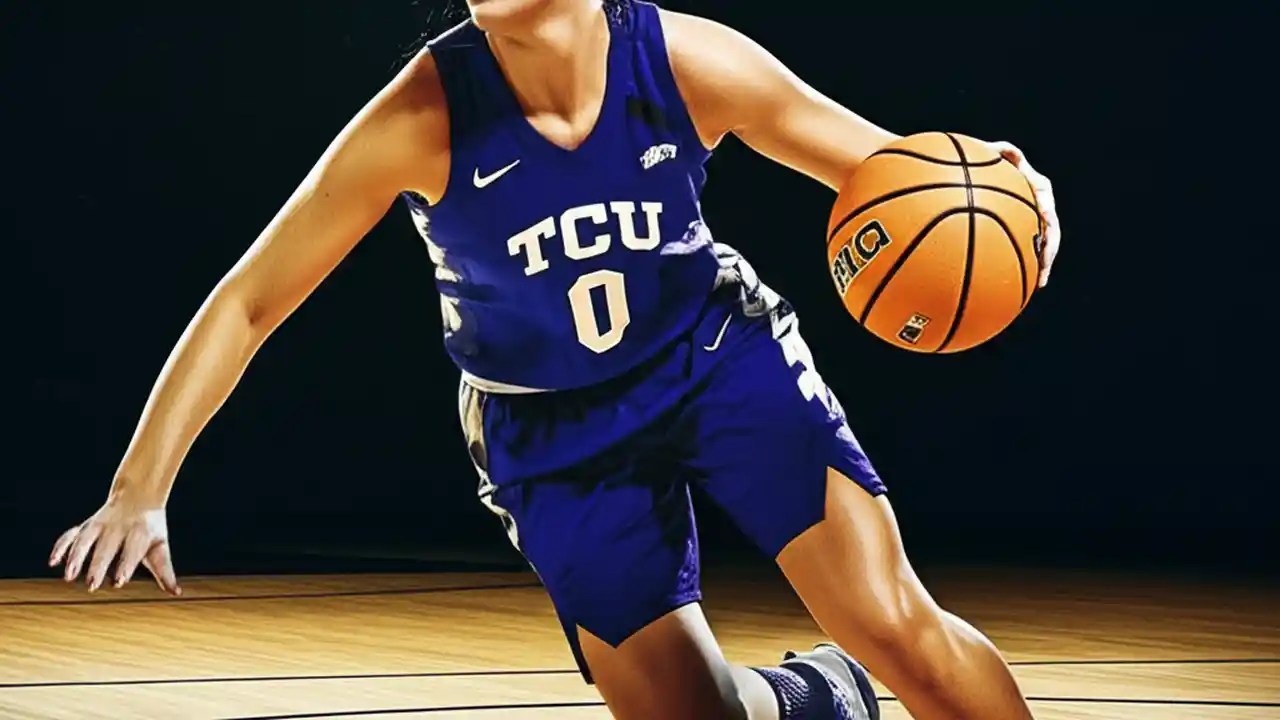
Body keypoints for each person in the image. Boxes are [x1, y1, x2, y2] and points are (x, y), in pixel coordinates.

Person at [48, 1, 1061, 718]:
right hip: (550, 431)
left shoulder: (688, 60)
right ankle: (809, 698)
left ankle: (861, 670)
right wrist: (142, 486)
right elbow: (250, 299)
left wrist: (1010, 198)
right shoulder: (421, 116)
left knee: (894, 625)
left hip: (714, 359)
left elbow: (898, 178)